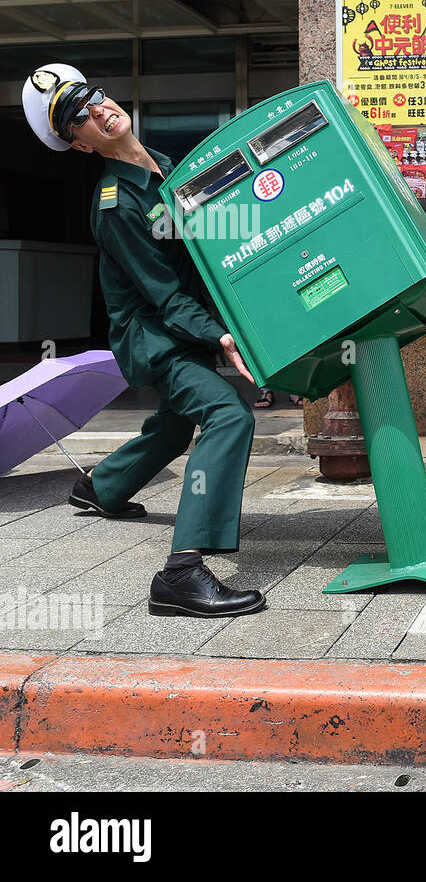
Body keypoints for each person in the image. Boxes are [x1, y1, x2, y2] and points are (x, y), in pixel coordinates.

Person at [22, 63, 266, 616]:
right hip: (153, 336)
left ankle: (102, 487)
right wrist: (220, 336)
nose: (98, 111)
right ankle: (180, 572)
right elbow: (161, 295)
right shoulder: (116, 205)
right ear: (80, 145)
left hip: (182, 324)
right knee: (228, 415)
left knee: (176, 425)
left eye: (94, 97)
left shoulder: (169, 169)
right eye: (78, 118)